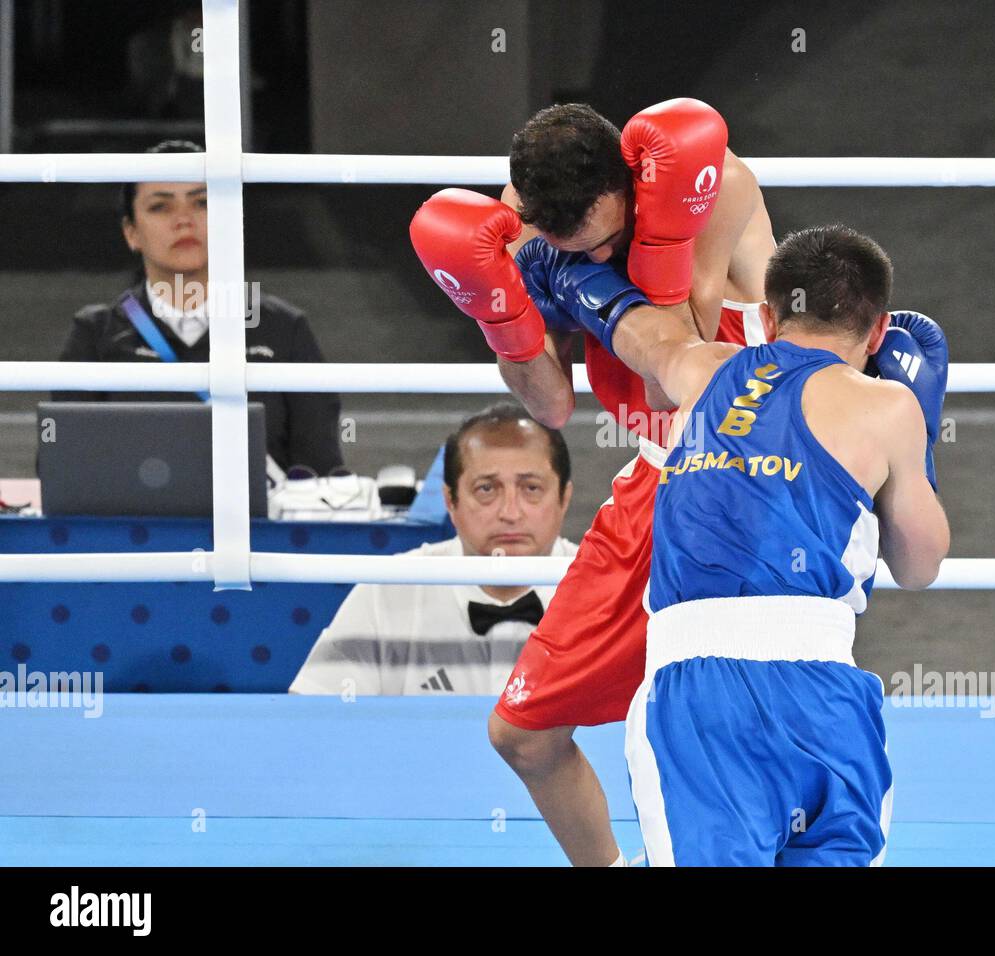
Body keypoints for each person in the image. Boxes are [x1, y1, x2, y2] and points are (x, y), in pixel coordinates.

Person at [411, 97, 776, 866]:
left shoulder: (712, 185)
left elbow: (678, 380)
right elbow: (549, 405)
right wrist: (501, 316)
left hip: (744, 484)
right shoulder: (521, 229)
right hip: (654, 483)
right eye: (577, 251)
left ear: (628, 181)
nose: (603, 255)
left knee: (719, 734)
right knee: (523, 732)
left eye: (612, 238)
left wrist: (602, 283)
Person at [519, 224, 951, 865]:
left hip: (697, 699)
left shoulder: (699, 369)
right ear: (879, 330)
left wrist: (561, 271)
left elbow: (629, 324)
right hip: (827, 699)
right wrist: (921, 432)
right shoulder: (889, 407)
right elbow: (918, 566)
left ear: (768, 319)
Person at [52, 139, 344, 477]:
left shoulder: (285, 329)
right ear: (131, 233)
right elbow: (61, 469)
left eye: (202, 203)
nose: (184, 221)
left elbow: (322, 473)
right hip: (132, 514)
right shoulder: (94, 334)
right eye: (160, 207)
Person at [289, 404, 578, 696]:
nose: (510, 513)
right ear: (450, 501)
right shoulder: (387, 590)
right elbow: (313, 713)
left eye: (531, 488)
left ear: (563, 499)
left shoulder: (603, 591)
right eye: (486, 489)